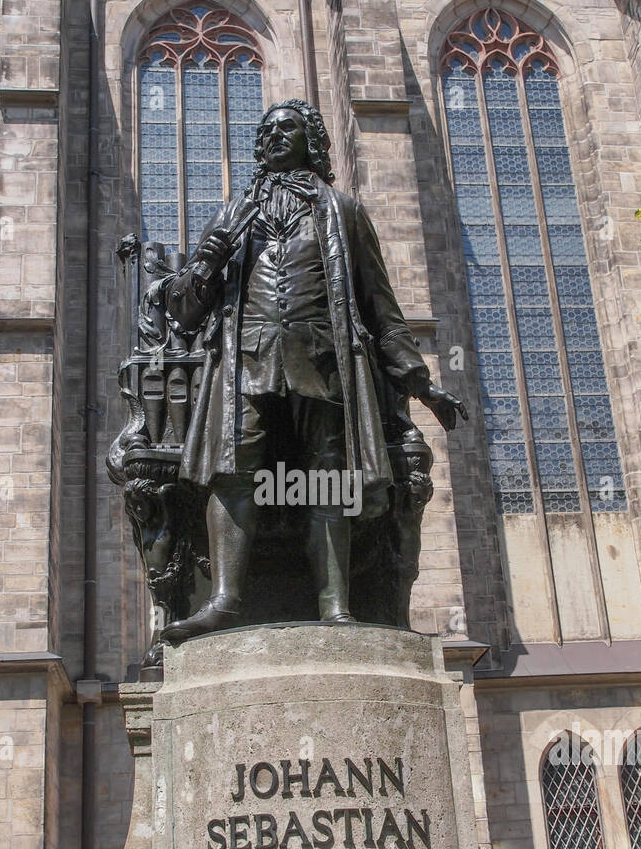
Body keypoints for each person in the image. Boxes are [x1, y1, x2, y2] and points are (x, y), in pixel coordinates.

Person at [159, 99, 466, 645]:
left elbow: (380, 306)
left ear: (312, 141)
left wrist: (422, 385)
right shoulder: (232, 214)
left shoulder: (342, 212)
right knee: (234, 469)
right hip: (246, 362)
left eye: (289, 128)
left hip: (323, 362)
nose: (276, 136)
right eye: (268, 130)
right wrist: (208, 258)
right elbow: (183, 312)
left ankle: (335, 606)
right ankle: (225, 601)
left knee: (329, 477)